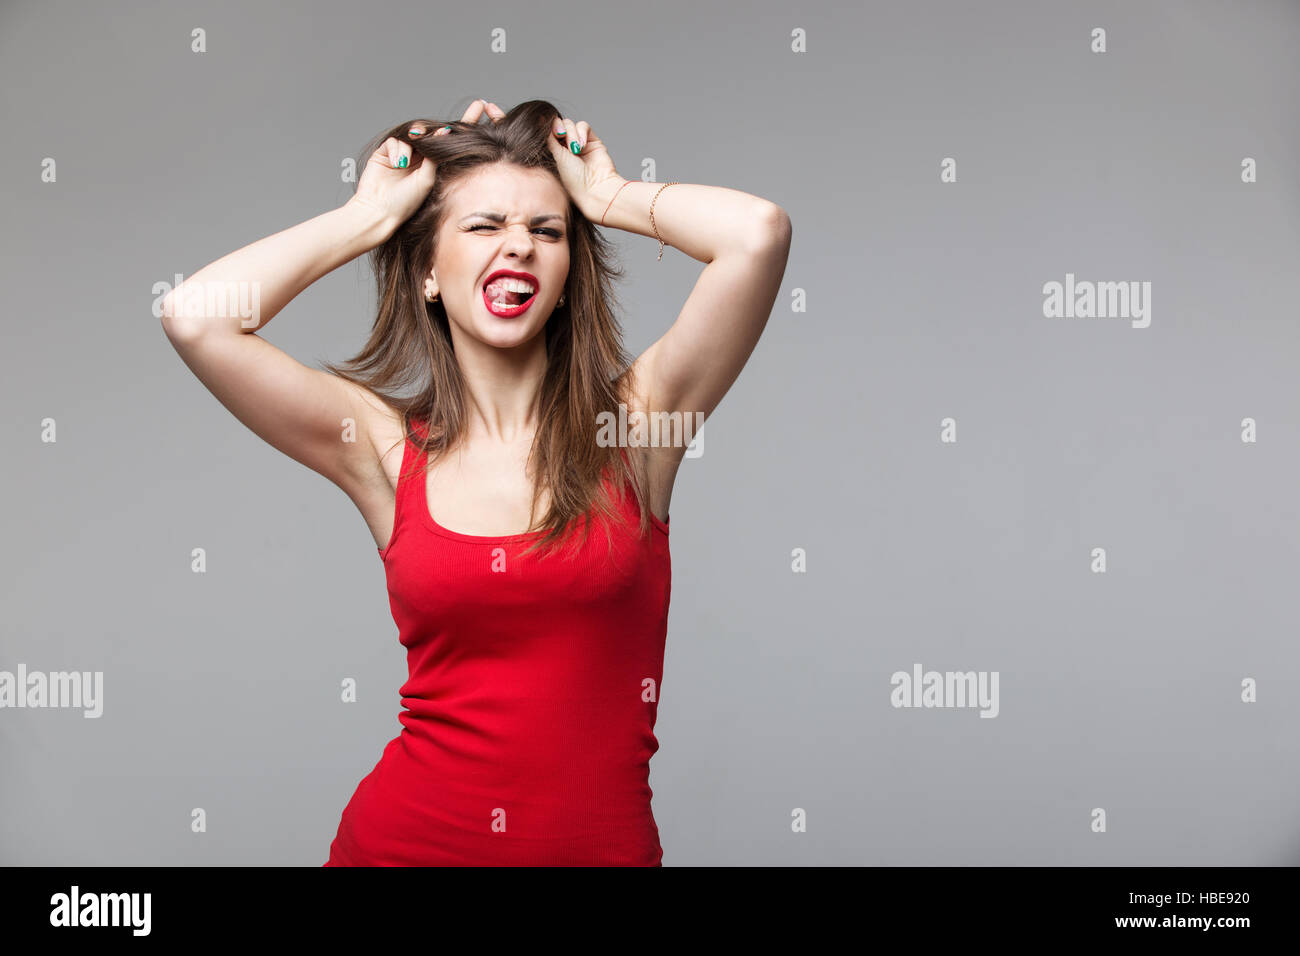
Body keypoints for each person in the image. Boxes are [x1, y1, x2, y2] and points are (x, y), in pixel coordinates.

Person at [159, 98, 792, 865]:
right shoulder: (384, 449)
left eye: (546, 231)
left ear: (567, 271)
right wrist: (369, 216)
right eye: (484, 226)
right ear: (428, 270)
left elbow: (756, 236)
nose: (518, 247)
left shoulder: (634, 427)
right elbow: (195, 316)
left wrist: (610, 197)